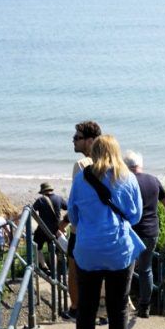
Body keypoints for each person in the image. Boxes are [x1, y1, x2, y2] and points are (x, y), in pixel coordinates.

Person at [68, 135, 143, 329]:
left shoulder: (81, 179)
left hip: (88, 250)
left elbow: (73, 216)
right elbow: (135, 215)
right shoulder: (128, 178)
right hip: (118, 250)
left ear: (95, 152)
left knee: (87, 306)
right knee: (118, 306)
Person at [124, 150, 165, 318]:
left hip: (131, 233)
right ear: (140, 165)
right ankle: (145, 307)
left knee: (126, 268)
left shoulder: (125, 181)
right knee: (146, 269)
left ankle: (122, 304)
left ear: (126, 166)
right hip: (151, 232)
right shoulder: (154, 181)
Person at [65, 121, 102, 319]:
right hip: (103, 227)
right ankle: (98, 309)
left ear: (90, 141)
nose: (73, 141)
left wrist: (68, 222)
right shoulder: (111, 163)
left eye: (77, 138)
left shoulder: (80, 166)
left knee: (74, 269)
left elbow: (76, 202)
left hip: (81, 230)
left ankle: (76, 308)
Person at [30, 181, 71, 313]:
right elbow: (68, 208)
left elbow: (31, 211)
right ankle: (53, 269)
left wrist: (38, 220)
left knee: (37, 247)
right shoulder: (59, 198)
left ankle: (44, 266)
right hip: (55, 230)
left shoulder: (41, 200)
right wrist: (64, 223)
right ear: (51, 190)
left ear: (43, 191)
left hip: (43, 229)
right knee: (52, 247)